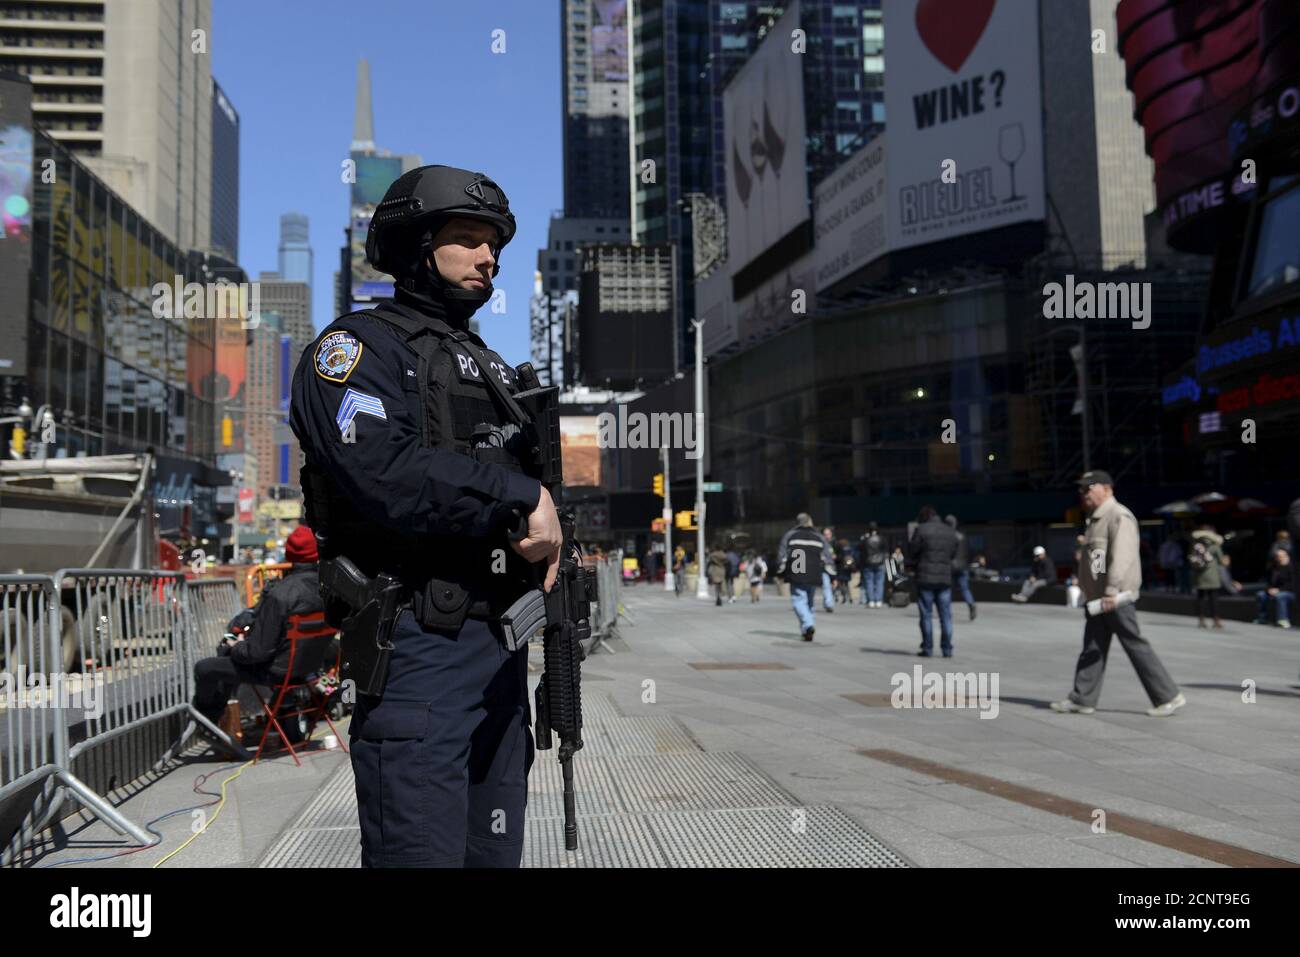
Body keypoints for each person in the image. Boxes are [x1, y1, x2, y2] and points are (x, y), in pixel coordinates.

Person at [291, 165, 563, 868]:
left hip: (501, 652)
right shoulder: (355, 351)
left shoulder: (492, 369)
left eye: (495, 243)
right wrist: (522, 498)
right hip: (418, 650)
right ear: (417, 245)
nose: (489, 256)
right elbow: (384, 471)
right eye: (468, 238)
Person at [1051, 471, 1185, 717]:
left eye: (1088, 488)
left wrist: (1111, 591)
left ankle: (1168, 695)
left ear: (1107, 489)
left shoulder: (1117, 516)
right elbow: (1099, 561)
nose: (1083, 494)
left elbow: (1122, 557)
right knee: (1093, 647)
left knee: (1134, 644)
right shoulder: (1096, 519)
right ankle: (1082, 699)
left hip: (1114, 597)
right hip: (1099, 599)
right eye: (1081, 490)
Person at [191, 526, 325, 747]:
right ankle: (220, 722)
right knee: (226, 661)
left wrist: (236, 646)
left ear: (289, 555)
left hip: (277, 672)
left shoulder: (281, 595)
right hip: (309, 669)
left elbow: (257, 653)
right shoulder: (327, 588)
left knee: (205, 668)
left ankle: (207, 722)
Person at [907, 506, 958, 657]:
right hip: (944, 578)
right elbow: (953, 552)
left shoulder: (921, 530)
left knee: (926, 614)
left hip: (925, 578)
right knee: (946, 616)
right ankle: (947, 648)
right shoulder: (949, 531)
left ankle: (928, 648)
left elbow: (913, 551)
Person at [777, 513, 829, 641]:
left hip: (797, 570)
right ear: (810, 522)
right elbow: (827, 557)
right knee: (809, 602)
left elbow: (782, 556)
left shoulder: (790, 535)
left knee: (799, 600)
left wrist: (780, 572)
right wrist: (832, 575)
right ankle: (806, 631)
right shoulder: (819, 536)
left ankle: (808, 625)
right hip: (814, 572)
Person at [1190, 524, 1227, 629]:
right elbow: (1221, 561)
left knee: (1200, 598)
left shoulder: (1196, 545)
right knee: (1213, 599)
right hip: (1213, 576)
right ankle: (1216, 620)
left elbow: (1192, 558)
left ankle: (1201, 620)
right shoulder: (1215, 546)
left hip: (1200, 575)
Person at [945, 514, 976, 621]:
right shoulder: (962, 536)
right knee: (965, 589)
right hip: (963, 566)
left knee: (947, 590)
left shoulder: (947, 537)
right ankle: (971, 603)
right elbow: (967, 552)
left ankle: (947, 613)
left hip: (950, 567)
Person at [1254, 549, 1293, 628]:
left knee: (1280, 596)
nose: (1280, 558)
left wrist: (1279, 590)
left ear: (1287, 557)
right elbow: (1269, 582)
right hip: (1274, 591)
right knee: (1261, 595)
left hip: (1289, 592)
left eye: (1282, 556)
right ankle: (1262, 618)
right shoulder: (1273, 568)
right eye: (1278, 557)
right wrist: (1269, 590)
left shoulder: (1292, 568)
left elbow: (1292, 584)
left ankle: (1283, 619)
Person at [859, 522, 887, 608]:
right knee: (879, 582)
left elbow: (861, 550)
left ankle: (871, 600)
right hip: (880, 562)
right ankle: (878, 600)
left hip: (868, 562)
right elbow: (885, 549)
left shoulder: (866, 539)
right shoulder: (881, 538)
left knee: (869, 582)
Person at [820, 527, 837, 613]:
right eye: (825, 534)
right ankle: (829, 604)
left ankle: (827, 602)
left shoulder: (833, 543)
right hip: (825, 568)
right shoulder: (821, 543)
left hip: (833, 568)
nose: (827, 536)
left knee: (833, 587)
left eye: (828, 534)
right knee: (826, 585)